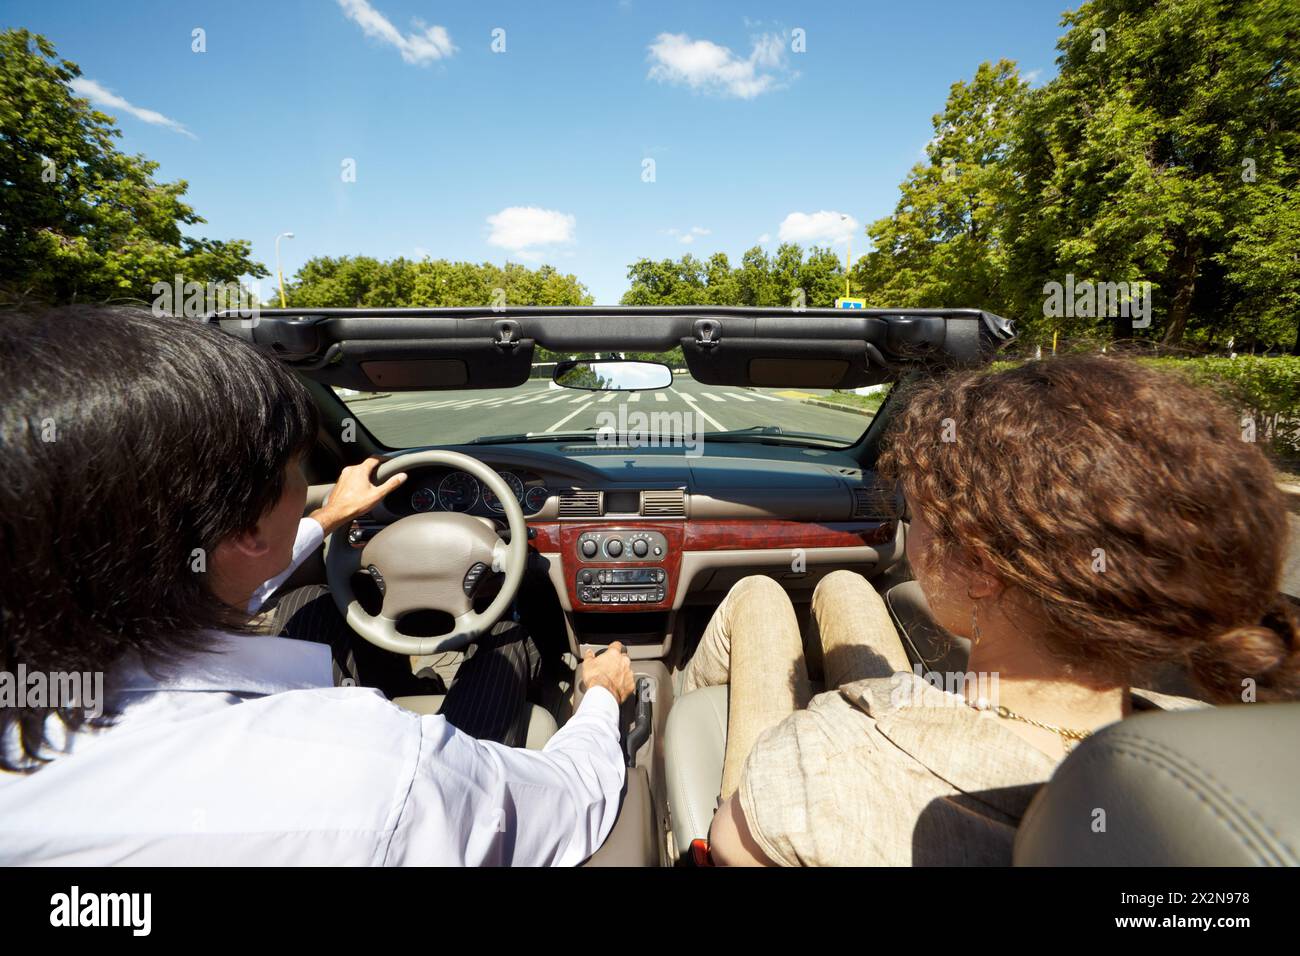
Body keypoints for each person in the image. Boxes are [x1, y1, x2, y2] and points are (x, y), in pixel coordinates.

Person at [0, 305, 635, 866]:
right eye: (296, 468)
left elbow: (237, 573)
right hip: (435, 781)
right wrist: (600, 695)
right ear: (246, 530)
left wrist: (329, 518)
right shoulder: (382, 775)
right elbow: (570, 800)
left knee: (311, 603)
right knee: (504, 639)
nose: (305, 483)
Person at [693, 354, 1299, 866]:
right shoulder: (1221, 750)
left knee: (762, 598)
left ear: (981, 566)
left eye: (918, 514)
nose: (910, 525)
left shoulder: (818, 758)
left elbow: (728, 841)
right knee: (848, 583)